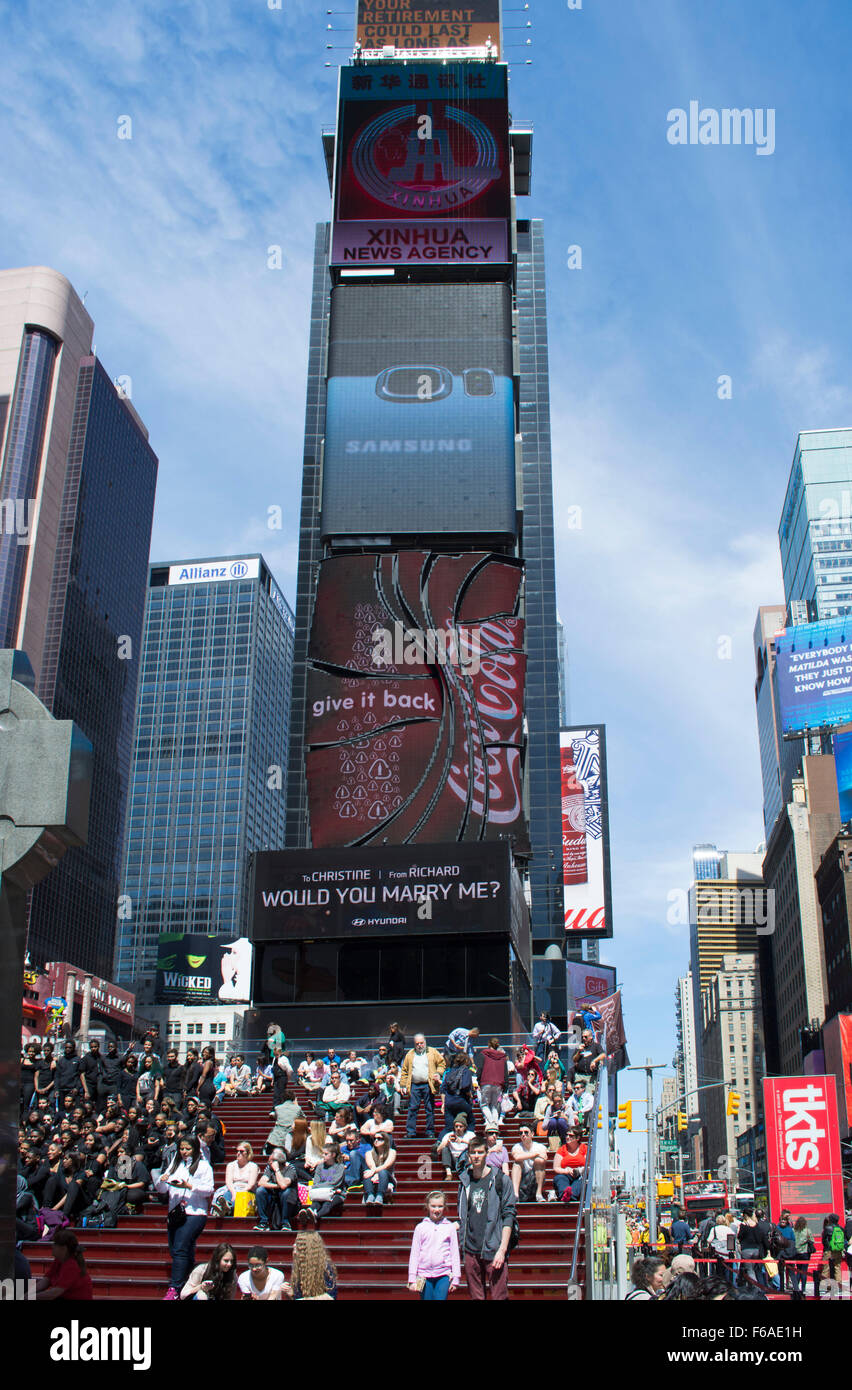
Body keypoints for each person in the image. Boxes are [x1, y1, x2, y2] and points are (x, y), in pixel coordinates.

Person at [154, 1135, 214, 1300]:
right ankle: (189, 1280)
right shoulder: (175, 1164)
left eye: (188, 1149)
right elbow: (161, 1189)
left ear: (195, 1149)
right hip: (176, 1212)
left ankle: (175, 1287)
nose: (184, 1152)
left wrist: (189, 1185)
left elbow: (209, 1189)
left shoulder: (203, 1166)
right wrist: (162, 1180)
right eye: (182, 1149)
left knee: (180, 1247)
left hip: (195, 1212)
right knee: (177, 1249)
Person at [457, 1134, 516, 1300]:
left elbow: (508, 1215)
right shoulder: (464, 1181)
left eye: (480, 1152)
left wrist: (502, 1250)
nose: (476, 1156)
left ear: (487, 1153)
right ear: (468, 1155)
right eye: (473, 1152)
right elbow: (464, 1214)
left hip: (494, 1247)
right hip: (470, 1248)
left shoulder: (501, 1180)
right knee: (476, 1297)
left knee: (499, 1296)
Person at [408, 1189, 461, 1299]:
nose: (437, 1210)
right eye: (433, 1206)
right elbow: (414, 1254)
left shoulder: (450, 1227)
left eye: (440, 1206)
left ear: (445, 1207)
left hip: (443, 1274)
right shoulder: (420, 1228)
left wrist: (456, 1277)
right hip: (423, 1275)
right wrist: (412, 1278)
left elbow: (455, 1253)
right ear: (427, 1206)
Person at [284, 1212, 338, 1300]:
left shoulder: (325, 1267)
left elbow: (331, 1297)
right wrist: (290, 1294)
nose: (293, 1247)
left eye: (298, 1246)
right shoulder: (298, 1267)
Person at [399, 1034, 444, 1139]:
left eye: (421, 1043)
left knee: (429, 1109)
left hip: (428, 1084)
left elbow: (442, 1063)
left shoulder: (433, 1052)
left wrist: (438, 1073)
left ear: (425, 1042)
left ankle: (430, 1131)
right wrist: (403, 1084)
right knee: (412, 1109)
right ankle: (410, 1132)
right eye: (417, 1043)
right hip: (414, 1085)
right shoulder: (410, 1054)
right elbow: (404, 1070)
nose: (419, 1045)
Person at [33, 1230, 94, 1300]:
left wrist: (29, 1297)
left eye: (55, 1244)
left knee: (21, 1286)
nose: (52, 1246)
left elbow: (54, 1292)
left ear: (63, 1249)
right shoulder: (59, 1260)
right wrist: (28, 1293)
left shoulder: (72, 1265)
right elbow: (47, 1280)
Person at [254, 1148, 299, 1232]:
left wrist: (277, 1170)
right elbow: (261, 1182)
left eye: (271, 1161)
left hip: (289, 1202)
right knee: (260, 1191)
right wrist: (276, 1186)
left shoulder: (290, 1168)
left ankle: (285, 1223)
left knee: (286, 1192)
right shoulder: (269, 1168)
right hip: (274, 1198)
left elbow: (283, 1185)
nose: (269, 1162)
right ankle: (264, 1222)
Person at [211, 1141, 259, 1217]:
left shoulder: (253, 1166)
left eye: (241, 1151)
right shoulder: (231, 1165)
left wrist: (239, 1193)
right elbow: (229, 1182)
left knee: (240, 1197)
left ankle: (227, 1208)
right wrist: (234, 1192)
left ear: (248, 1153)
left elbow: (251, 1184)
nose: (238, 1153)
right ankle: (224, 1207)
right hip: (233, 1188)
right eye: (237, 1151)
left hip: (246, 1189)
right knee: (226, 1193)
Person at [477, 1037, 509, 1128]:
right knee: (494, 1106)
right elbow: (505, 1073)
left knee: (484, 1105)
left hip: (486, 1082)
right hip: (498, 1084)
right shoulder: (503, 1057)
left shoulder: (484, 1054)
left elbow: (480, 1069)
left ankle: (491, 1123)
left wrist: (479, 1081)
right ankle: (495, 1123)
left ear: (489, 1045)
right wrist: (505, 1087)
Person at [440, 1052, 476, 1134]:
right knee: (471, 1122)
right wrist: (469, 1095)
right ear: (466, 1060)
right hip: (461, 1101)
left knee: (449, 1127)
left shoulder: (450, 1072)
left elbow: (443, 1089)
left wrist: (443, 1103)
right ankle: (469, 1139)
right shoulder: (466, 1071)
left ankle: (440, 1142)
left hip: (449, 1102)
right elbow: (465, 1086)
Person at [310, 1140, 347, 1218]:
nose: (323, 1155)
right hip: (321, 1193)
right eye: (323, 1153)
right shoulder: (320, 1166)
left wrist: (318, 1186)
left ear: (333, 1155)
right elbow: (315, 1182)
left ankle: (316, 1216)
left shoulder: (340, 1167)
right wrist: (318, 1186)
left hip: (336, 1194)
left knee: (327, 1204)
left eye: (326, 1154)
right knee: (316, 1203)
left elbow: (334, 1183)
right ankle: (310, 1211)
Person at [511, 1125, 548, 1202]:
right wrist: (536, 1154)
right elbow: (517, 1158)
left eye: (526, 1132)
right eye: (521, 1133)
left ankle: (539, 1194)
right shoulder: (516, 1147)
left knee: (539, 1161)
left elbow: (544, 1158)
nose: (523, 1135)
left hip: (535, 1178)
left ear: (532, 1134)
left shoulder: (540, 1146)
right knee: (517, 1164)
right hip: (522, 1179)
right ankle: (515, 1195)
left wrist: (524, 1156)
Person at [436, 1114, 476, 1181]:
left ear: (465, 1127)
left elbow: (477, 1146)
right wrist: (447, 1142)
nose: (458, 1128)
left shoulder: (470, 1134)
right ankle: (449, 1174)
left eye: (461, 1126)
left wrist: (463, 1141)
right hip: (453, 1159)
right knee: (445, 1149)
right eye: (456, 1126)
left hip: (465, 1158)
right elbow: (438, 1150)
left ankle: (467, 1172)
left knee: (468, 1151)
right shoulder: (448, 1135)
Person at [551, 1130, 587, 1203]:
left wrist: (578, 1171)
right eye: (567, 1135)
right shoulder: (562, 1149)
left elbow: (588, 1164)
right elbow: (556, 1167)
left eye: (571, 1136)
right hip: (566, 1173)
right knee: (559, 1178)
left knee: (581, 1181)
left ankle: (570, 1196)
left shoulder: (584, 1148)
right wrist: (567, 1170)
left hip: (580, 1174)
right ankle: (565, 1194)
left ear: (578, 1138)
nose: (567, 1137)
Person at [265, 1089, 303, 1154]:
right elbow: (303, 1118)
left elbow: (277, 1117)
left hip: (277, 1137)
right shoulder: (297, 1108)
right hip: (291, 1135)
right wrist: (297, 1104)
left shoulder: (277, 1108)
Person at [364, 1132, 396, 1206]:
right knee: (367, 1172)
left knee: (382, 1172)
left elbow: (386, 1166)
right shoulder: (369, 1153)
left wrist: (376, 1174)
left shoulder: (392, 1152)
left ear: (386, 1141)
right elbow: (372, 1166)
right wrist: (374, 1174)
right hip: (373, 1178)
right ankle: (370, 1195)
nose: (376, 1140)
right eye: (374, 1138)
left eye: (379, 1139)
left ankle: (380, 1195)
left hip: (388, 1178)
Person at [790, 1215, 814, 1298]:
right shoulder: (807, 1231)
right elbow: (812, 1240)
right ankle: (803, 1288)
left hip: (796, 1253)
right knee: (804, 1271)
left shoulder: (793, 1230)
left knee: (798, 1270)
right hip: (805, 1253)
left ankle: (796, 1288)